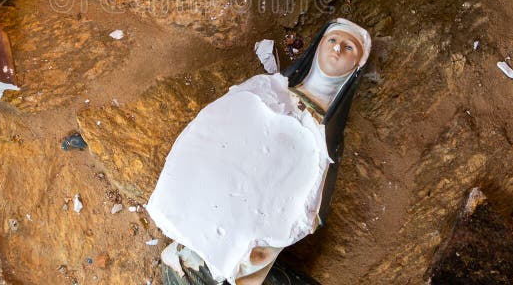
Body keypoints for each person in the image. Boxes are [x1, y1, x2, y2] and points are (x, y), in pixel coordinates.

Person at [148, 19, 372, 284]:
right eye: (332, 41)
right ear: (318, 45)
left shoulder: (324, 136)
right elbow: (212, 130)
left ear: (357, 65)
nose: (337, 50)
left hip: (252, 230)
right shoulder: (268, 89)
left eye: (348, 48)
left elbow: (310, 203)